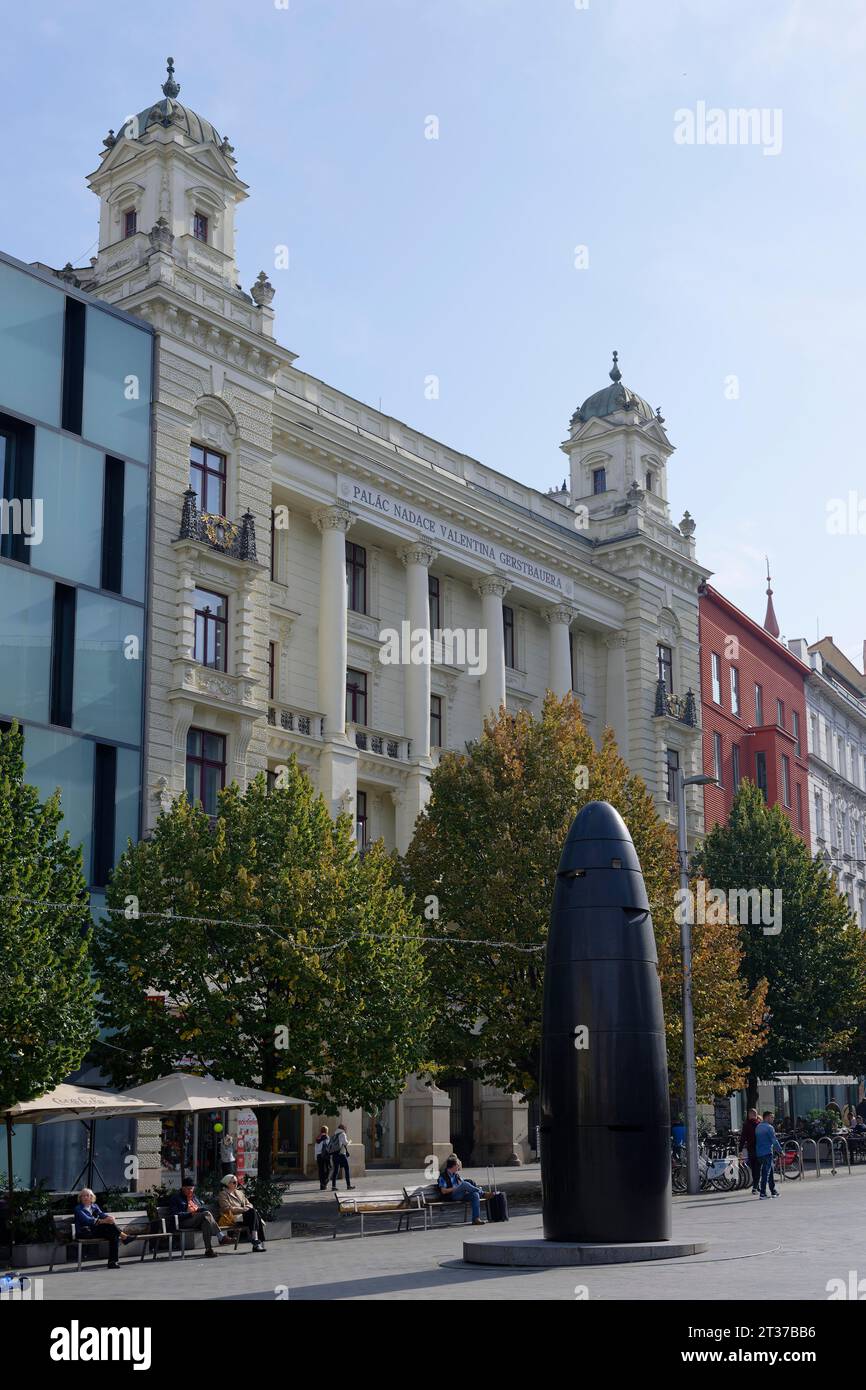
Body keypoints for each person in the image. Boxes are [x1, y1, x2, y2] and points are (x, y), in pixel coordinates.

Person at [72, 1188, 148, 1269]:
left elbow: (102, 1214)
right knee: (110, 1227)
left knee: (113, 1235)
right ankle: (124, 1237)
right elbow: (87, 1221)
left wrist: (110, 1218)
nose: (86, 1197)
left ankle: (113, 1262)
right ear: (80, 1198)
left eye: (88, 1195)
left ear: (92, 1197)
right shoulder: (78, 1209)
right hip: (85, 1232)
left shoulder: (94, 1206)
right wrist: (104, 1221)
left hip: (95, 1230)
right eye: (83, 1196)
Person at [169, 1178, 223, 1256]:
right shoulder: (176, 1198)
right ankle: (221, 1236)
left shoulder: (194, 1198)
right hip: (183, 1221)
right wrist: (190, 1214)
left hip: (196, 1220)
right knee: (206, 1214)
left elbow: (199, 1208)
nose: (190, 1191)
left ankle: (208, 1250)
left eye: (192, 1189)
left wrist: (201, 1210)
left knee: (206, 1222)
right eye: (188, 1189)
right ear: (183, 1188)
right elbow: (175, 1214)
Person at [217, 1174, 267, 1251]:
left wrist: (247, 1207)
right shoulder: (223, 1194)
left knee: (253, 1213)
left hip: (244, 1217)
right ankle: (256, 1243)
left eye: (237, 1182)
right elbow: (226, 1208)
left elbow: (249, 1203)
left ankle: (256, 1241)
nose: (236, 1184)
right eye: (233, 1182)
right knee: (254, 1214)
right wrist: (243, 1209)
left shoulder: (239, 1192)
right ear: (227, 1183)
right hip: (233, 1218)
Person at [437, 1157, 485, 1225]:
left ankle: (476, 1219)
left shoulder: (456, 1175)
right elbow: (443, 1191)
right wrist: (456, 1188)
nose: (458, 1167)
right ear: (453, 1166)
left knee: (475, 1195)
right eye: (457, 1165)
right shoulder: (443, 1176)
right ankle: (483, 1193)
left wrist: (463, 1188)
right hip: (451, 1196)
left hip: (460, 1195)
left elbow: (462, 1185)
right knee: (464, 1184)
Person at [754, 1112, 784, 1199]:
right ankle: (762, 1193)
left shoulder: (758, 1127)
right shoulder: (769, 1128)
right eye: (772, 1117)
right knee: (766, 1173)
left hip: (759, 1153)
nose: (773, 1119)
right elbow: (774, 1141)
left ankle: (773, 1191)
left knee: (770, 1172)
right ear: (766, 1117)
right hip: (767, 1152)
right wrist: (780, 1151)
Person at [738, 1107, 760, 1194]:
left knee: (753, 1168)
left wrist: (740, 1149)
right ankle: (756, 1187)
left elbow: (743, 1138)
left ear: (749, 1115)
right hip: (759, 1149)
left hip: (750, 1149)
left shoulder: (746, 1125)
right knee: (758, 1168)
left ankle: (755, 1186)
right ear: (756, 1115)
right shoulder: (759, 1124)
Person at [329, 1124, 354, 1191]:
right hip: (341, 1154)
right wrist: (349, 1142)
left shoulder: (334, 1134)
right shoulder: (342, 1134)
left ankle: (333, 1186)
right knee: (346, 1168)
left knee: (336, 1170)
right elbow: (345, 1143)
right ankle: (348, 1185)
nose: (346, 1130)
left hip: (335, 1154)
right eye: (345, 1128)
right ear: (343, 1128)